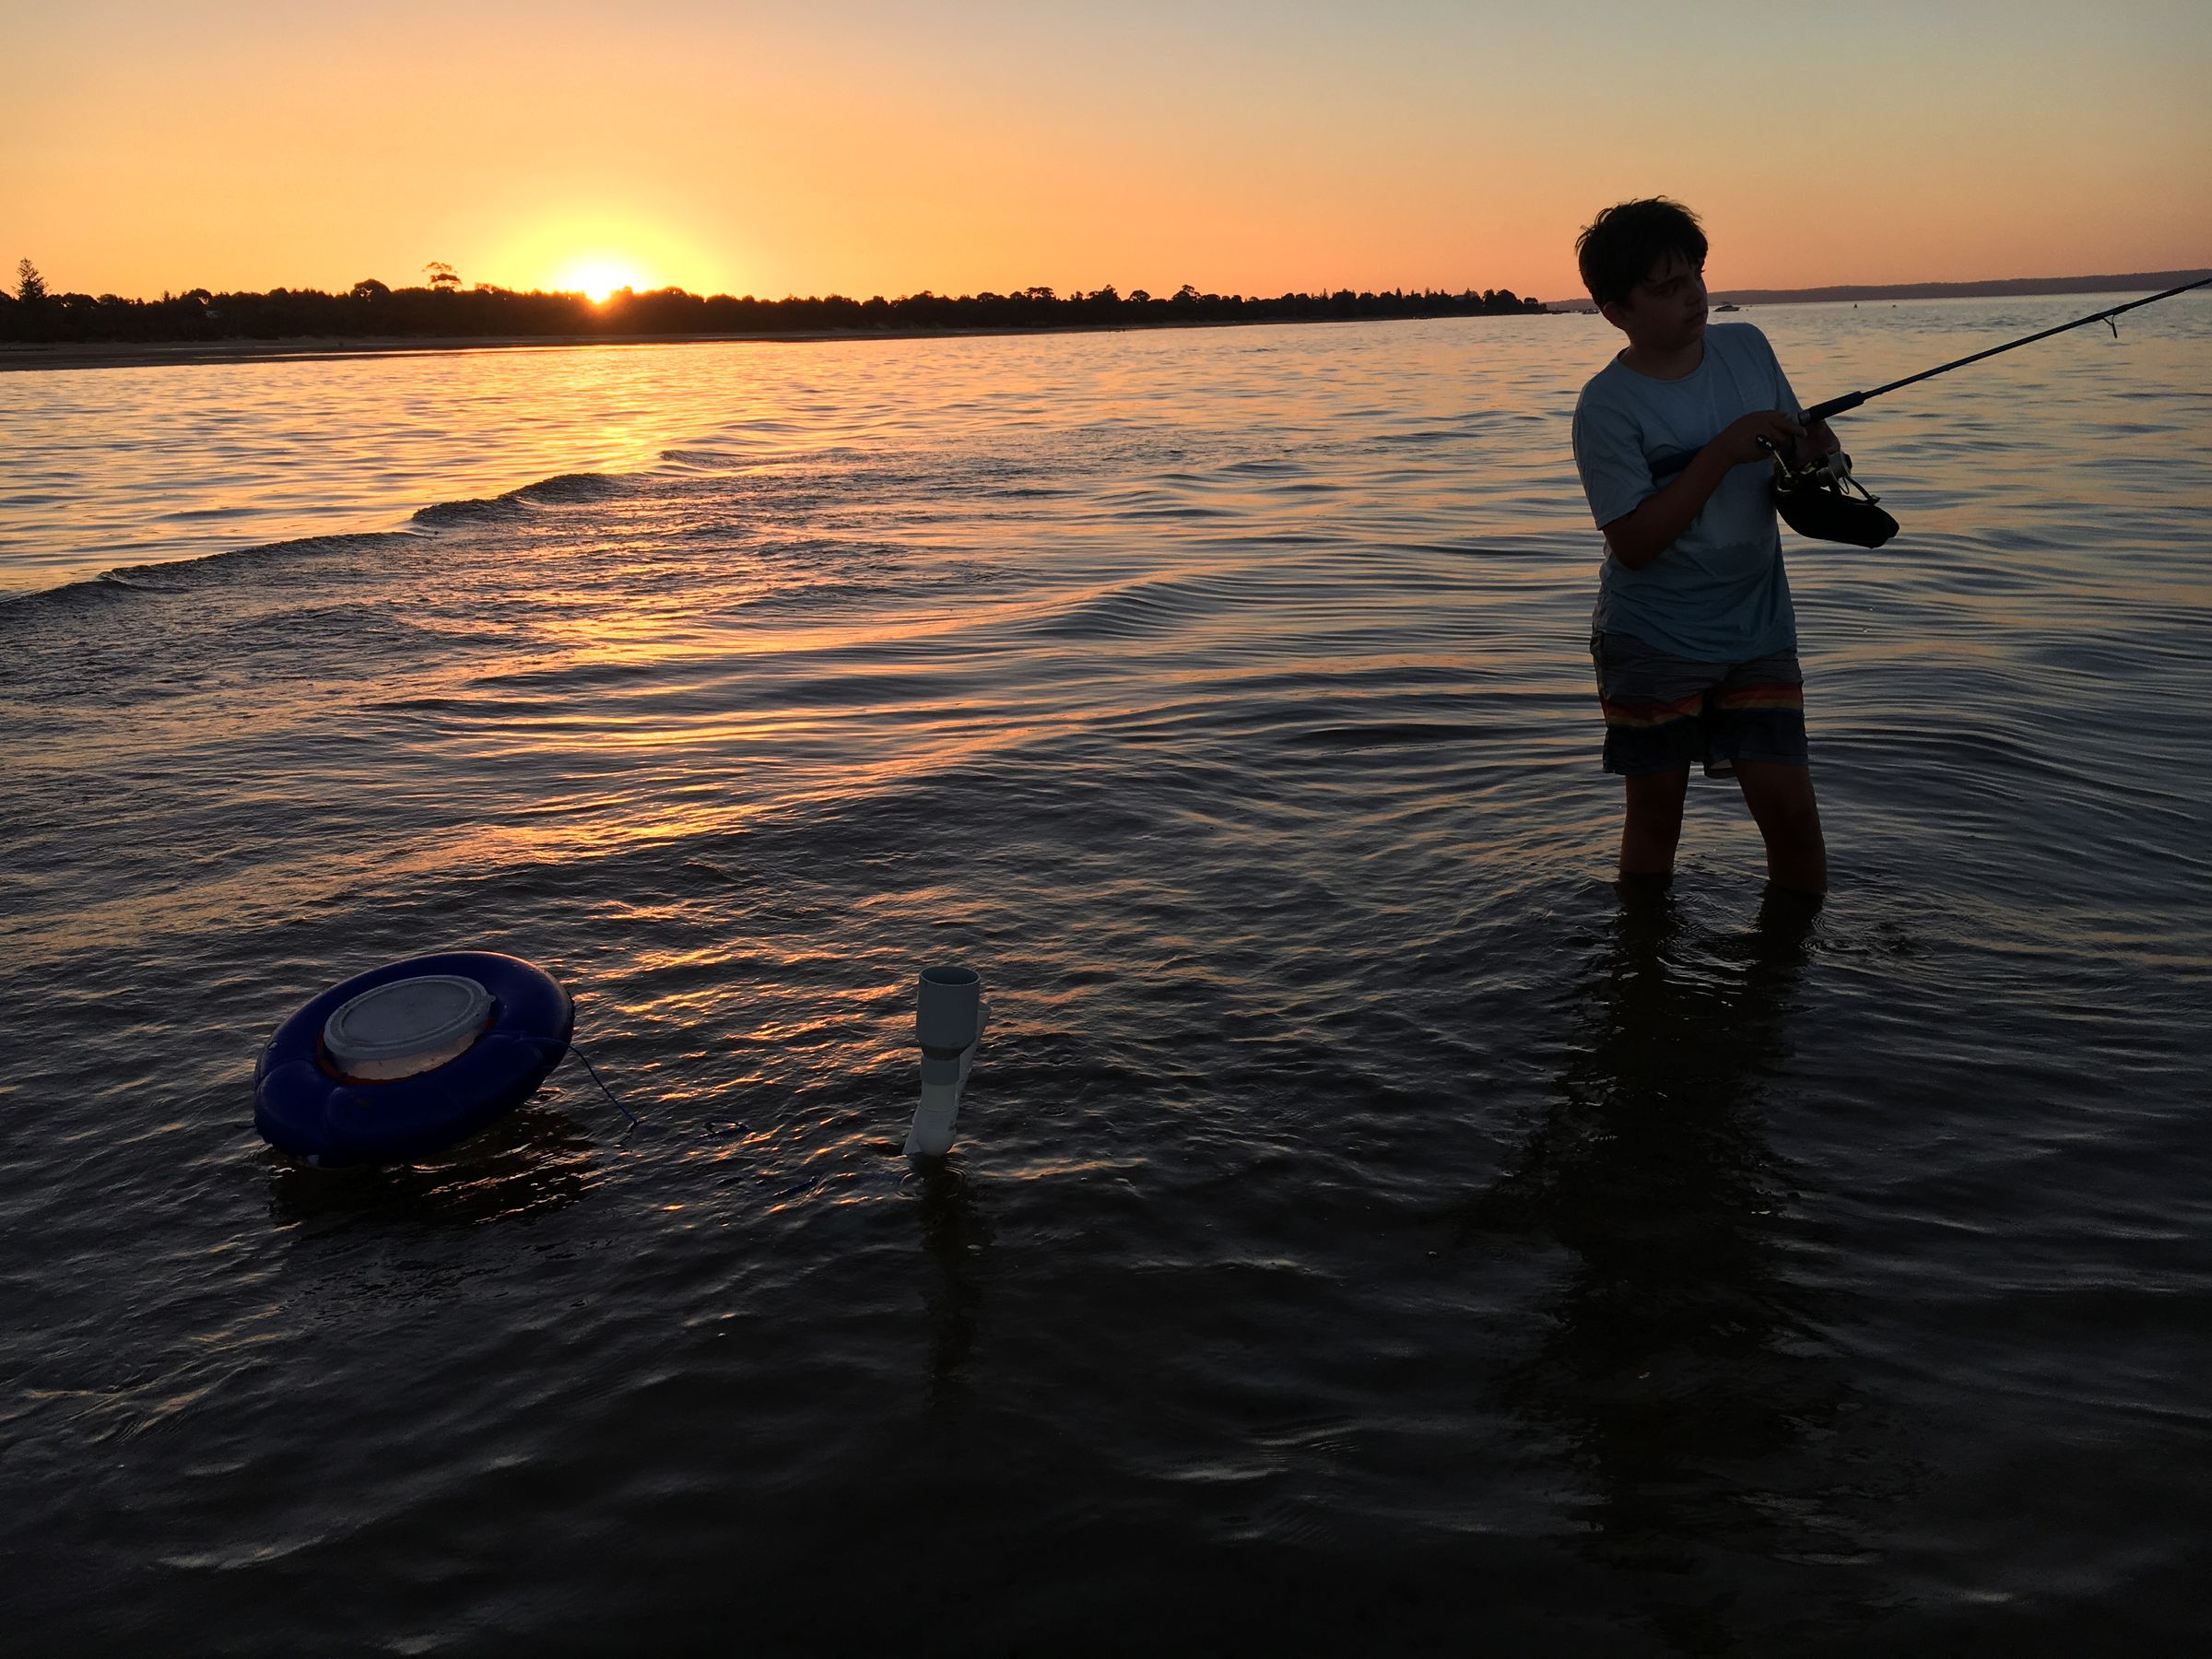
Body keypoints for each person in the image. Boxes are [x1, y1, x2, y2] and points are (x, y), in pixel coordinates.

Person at [1570, 197, 1834, 898]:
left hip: (1758, 628)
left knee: (1795, 821)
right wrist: (1718, 454)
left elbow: (1798, 450)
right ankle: (1642, 973)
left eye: (1695, 276)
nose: (1693, 297)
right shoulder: (1608, 406)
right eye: (1665, 288)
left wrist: (1816, 455)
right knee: (1657, 820)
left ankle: (1793, 983)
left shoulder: (1747, 348)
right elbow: (1633, 543)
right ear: (1615, 310)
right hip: (1654, 637)